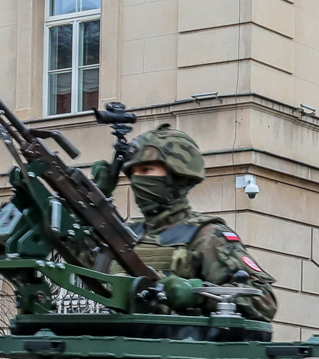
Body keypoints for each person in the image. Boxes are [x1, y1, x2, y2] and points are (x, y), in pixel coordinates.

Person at [119, 124, 277, 326]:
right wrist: (93, 200)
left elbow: (264, 301)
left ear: (176, 174)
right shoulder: (128, 235)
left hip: (179, 349)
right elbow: (82, 260)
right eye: (133, 173)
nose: (136, 179)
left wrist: (197, 292)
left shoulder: (207, 236)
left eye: (146, 170)